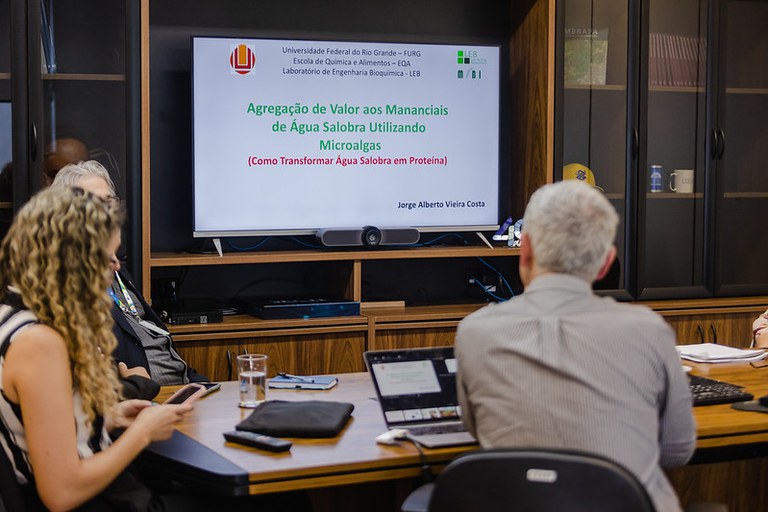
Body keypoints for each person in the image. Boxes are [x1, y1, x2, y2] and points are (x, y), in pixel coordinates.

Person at [455, 180, 696, 512]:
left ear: (525, 249)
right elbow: (676, 452)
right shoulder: (649, 330)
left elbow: (474, 428)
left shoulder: (474, 332)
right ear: (606, 263)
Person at [0, 186, 193, 511]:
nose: (117, 266)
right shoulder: (40, 343)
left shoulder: (12, 315)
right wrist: (142, 434)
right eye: (108, 256)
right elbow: (61, 493)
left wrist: (107, 418)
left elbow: (35, 428)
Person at [52, 161, 209, 400]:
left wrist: (201, 384)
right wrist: (138, 385)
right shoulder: (63, 290)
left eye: (109, 202)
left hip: (178, 391)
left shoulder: (116, 270)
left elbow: (154, 340)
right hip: (141, 401)